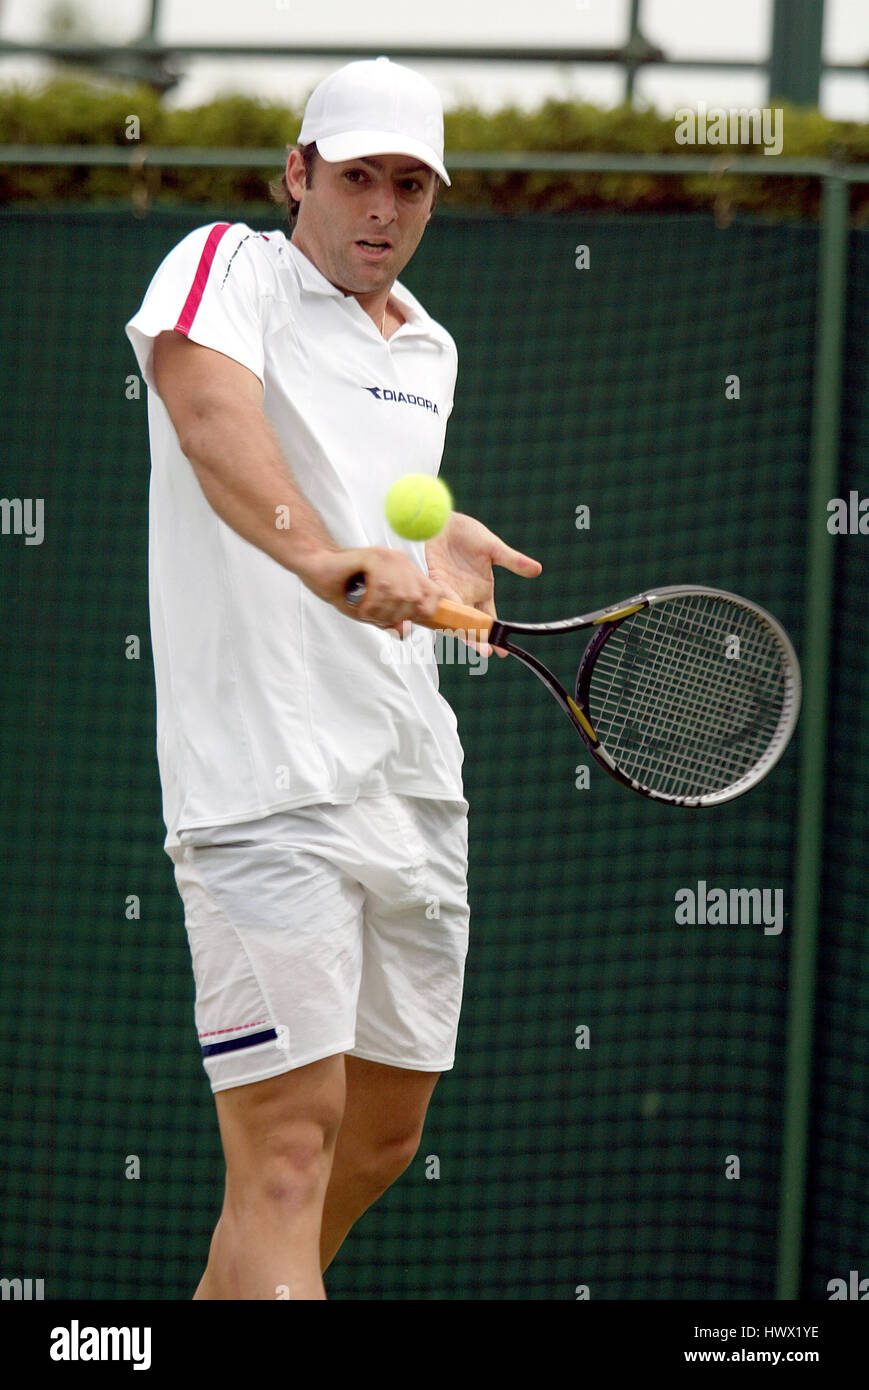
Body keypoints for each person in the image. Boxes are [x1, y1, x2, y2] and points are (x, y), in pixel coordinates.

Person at [125, 55, 541, 1300]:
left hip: (408, 779)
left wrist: (436, 541)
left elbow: (378, 517)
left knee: (376, 1137)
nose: (381, 207)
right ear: (296, 175)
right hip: (261, 777)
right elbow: (212, 422)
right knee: (289, 1145)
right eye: (357, 175)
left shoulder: (428, 345)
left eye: (409, 184)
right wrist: (323, 562)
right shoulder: (225, 270)